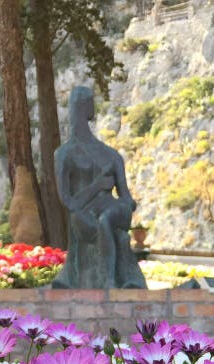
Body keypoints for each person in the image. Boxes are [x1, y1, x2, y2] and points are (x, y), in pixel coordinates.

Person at [53, 86, 147, 289]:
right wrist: (97, 186)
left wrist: (128, 204)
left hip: (114, 211)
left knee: (106, 220)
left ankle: (110, 281)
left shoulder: (111, 155)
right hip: (85, 213)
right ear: (84, 106)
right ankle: (110, 281)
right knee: (99, 222)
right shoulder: (64, 154)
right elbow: (69, 202)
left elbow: (126, 197)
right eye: (90, 102)